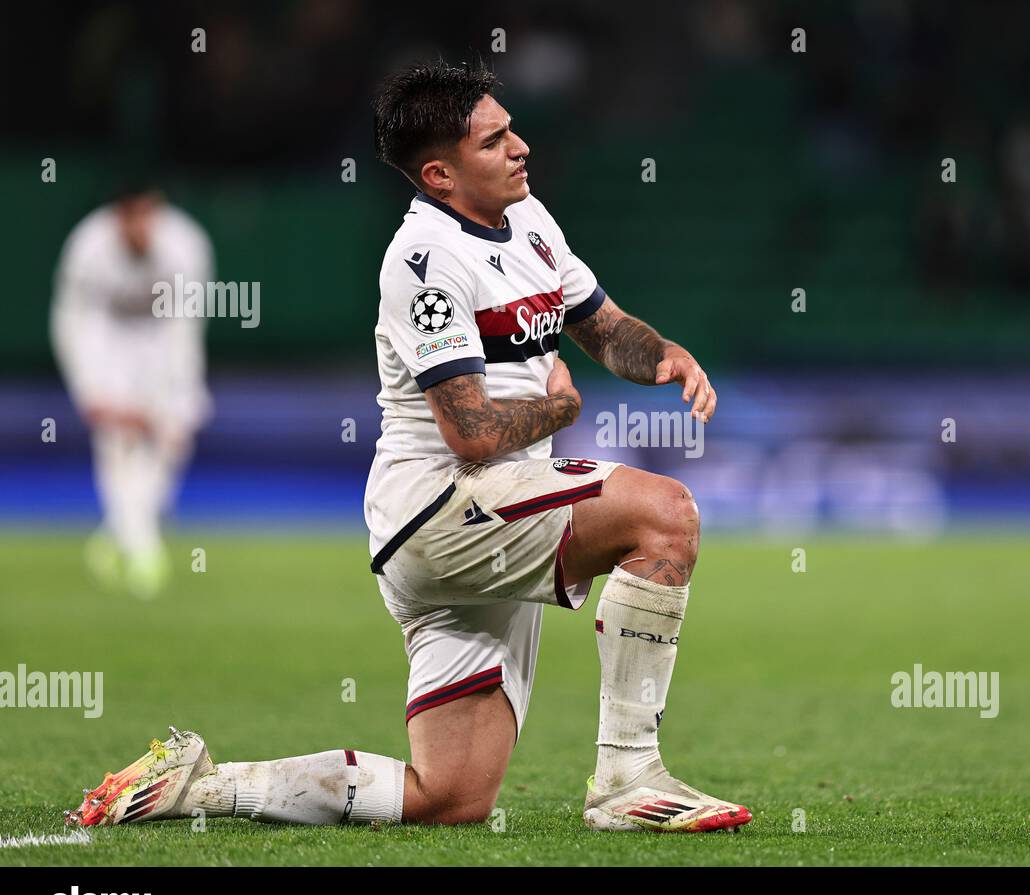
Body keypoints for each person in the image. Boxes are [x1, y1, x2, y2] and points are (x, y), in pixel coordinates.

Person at [68, 63, 750, 834]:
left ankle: (201, 786)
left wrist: (663, 354)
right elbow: (472, 434)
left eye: (511, 128)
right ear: (440, 173)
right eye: (496, 141)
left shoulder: (527, 218)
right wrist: (559, 404)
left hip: (476, 517)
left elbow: (599, 323)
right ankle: (629, 775)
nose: (522, 148)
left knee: (450, 797)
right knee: (666, 514)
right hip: (445, 508)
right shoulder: (424, 263)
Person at [51, 187, 212, 599]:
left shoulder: (185, 244)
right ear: (117, 217)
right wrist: (91, 390)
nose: (140, 228)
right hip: (109, 345)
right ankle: (145, 553)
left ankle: (113, 538)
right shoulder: (87, 246)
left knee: (173, 439)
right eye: (131, 217)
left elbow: (185, 326)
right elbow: (71, 320)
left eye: (148, 216)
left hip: (163, 346)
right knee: (119, 442)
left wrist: (178, 395)